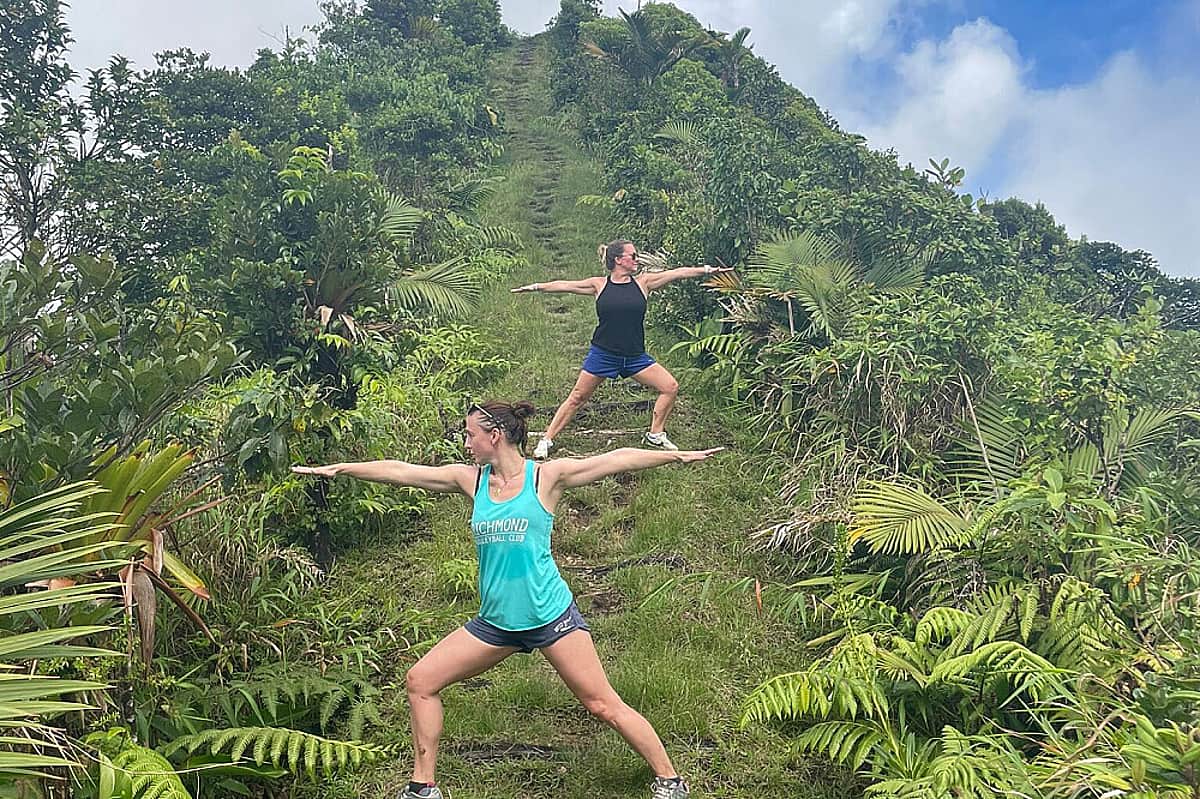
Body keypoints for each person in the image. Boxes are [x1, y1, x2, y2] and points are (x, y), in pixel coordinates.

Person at [292, 400, 723, 799]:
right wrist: (344, 468)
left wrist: (676, 455)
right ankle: (423, 787)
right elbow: (405, 471)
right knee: (421, 682)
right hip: (496, 623)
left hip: (550, 617)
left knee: (602, 704)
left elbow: (615, 460)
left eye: (470, 435)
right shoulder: (471, 480)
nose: (465, 443)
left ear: (494, 434)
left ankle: (670, 779)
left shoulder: (545, 477)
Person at [512, 240, 732, 459]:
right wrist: (535, 287)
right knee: (577, 397)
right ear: (618, 260)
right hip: (604, 354)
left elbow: (677, 273)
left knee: (670, 387)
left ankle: (656, 433)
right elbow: (564, 285)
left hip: (635, 356)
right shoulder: (599, 285)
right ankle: (546, 440)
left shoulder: (644, 283)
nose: (637, 260)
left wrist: (706, 270)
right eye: (633, 256)